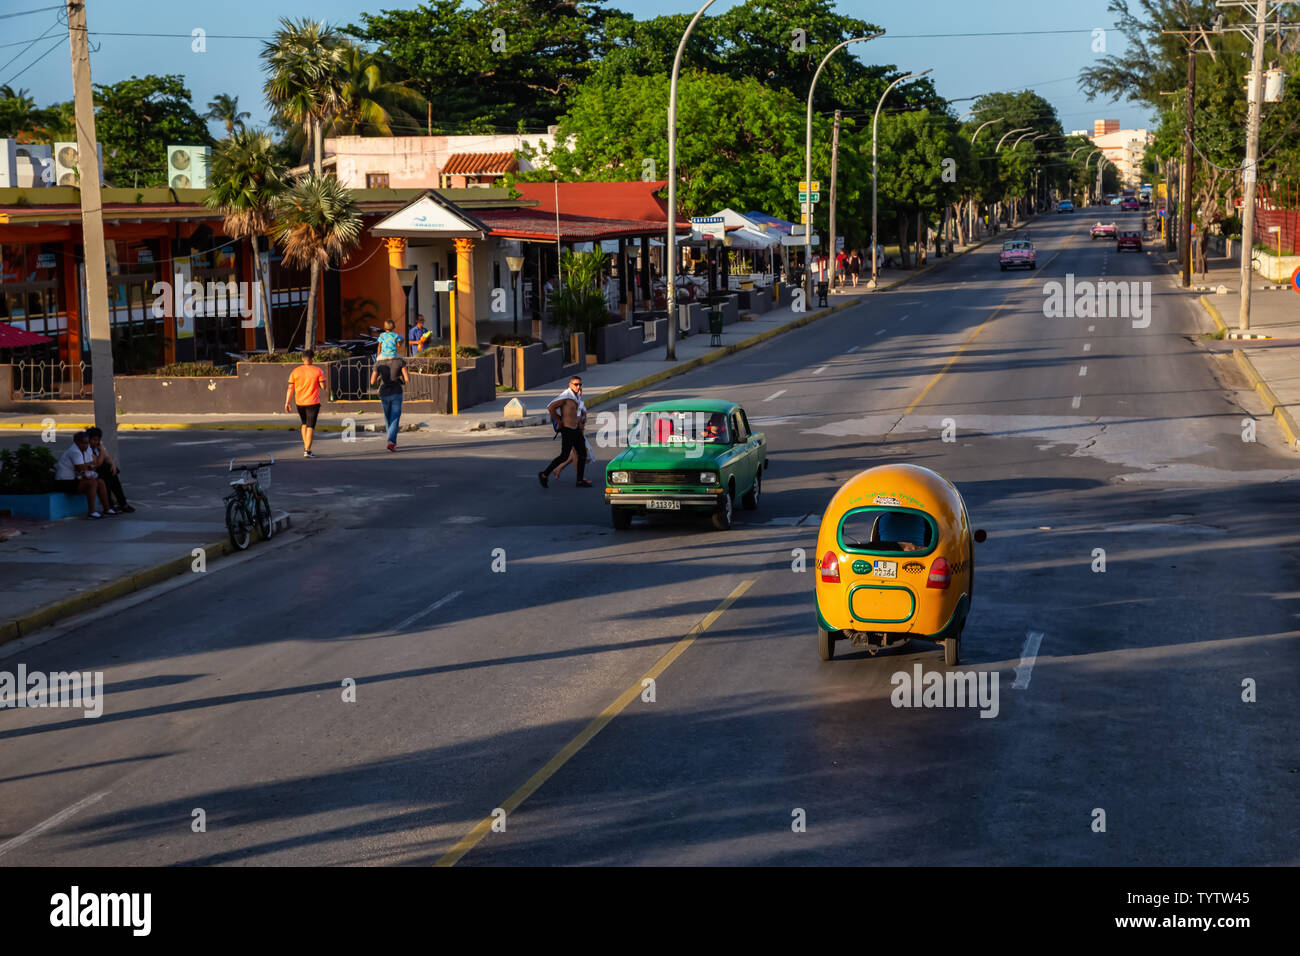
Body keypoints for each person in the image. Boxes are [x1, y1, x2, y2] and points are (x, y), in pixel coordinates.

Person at [539, 376, 590, 488]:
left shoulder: (575, 397)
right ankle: (544, 475)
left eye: (580, 384)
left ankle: (580, 481)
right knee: (564, 456)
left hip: (575, 430)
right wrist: (558, 420)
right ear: (570, 384)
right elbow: (551, 407)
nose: (578, 387)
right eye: (576, 384)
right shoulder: (566, 396)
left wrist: (581, 424)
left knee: (582, 454)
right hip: (567, 430)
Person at [55, 431, 113, 519]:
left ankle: (107, 508)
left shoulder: (87, 449)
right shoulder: (74, 451)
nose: (86, 445)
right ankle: (91, 512)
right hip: (65, 482)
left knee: (100, 482)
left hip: (76, 479)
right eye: (83, 443)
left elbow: (93, 465)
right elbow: (81, 468)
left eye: (87, 443)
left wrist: (90, 465)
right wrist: (90, 464)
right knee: (92, 483)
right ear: (77, 443)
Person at [285, 350, 327, 458]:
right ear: (312, 359)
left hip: (299, 403)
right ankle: (307, 450)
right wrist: (321, 383)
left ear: (302, 359)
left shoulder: (295, 371)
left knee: (304, 424)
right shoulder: (318, 370)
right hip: (313, 402)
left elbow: (290, 388)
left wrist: (287, 402)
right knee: (310, 426)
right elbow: (323, 387)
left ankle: (306, 447)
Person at [370, 350, 409, 452]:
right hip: (396, 392)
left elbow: (372, 381)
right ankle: (391, 442)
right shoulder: (400, 361)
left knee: (387, 418)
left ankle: (391, 442)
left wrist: (380, 376)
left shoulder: (378, 363)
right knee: (394, 418)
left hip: (384, 393)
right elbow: (407, 379)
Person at [86, 426, 132, 512]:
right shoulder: (86, 447)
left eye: (98, 440)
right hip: (91, 472)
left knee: (112, 473)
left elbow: (107, 458)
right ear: (88, 439)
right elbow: (97, 464)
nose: (96, 442)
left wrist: (113, 465)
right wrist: (102, 451)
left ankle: (122, 503)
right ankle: (113, 505)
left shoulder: (99, 444)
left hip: (101, 471)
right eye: (94, 440)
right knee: (107, 476)